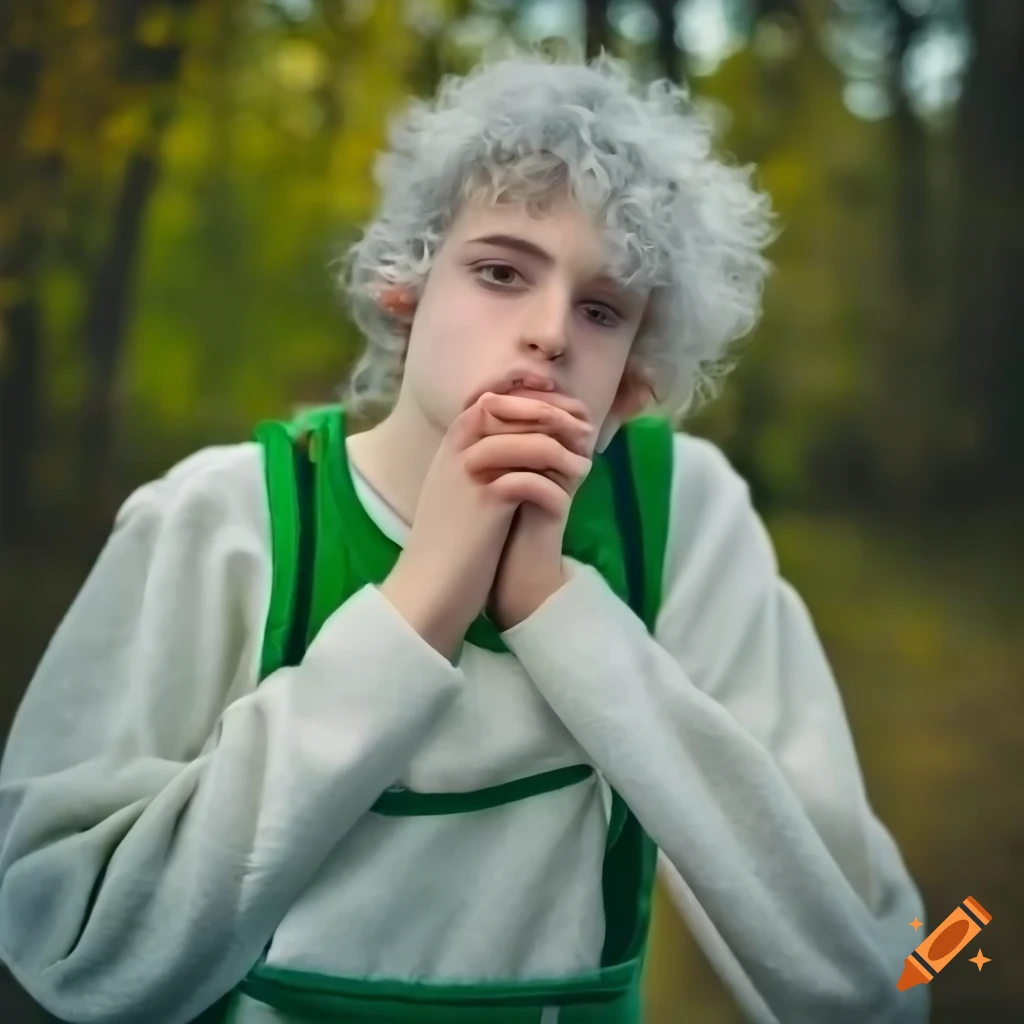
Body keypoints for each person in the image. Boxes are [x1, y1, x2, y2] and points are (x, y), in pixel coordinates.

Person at [0, 50, 929, 1024]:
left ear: (632, 372)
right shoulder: (223, 518)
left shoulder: (683, 513)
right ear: (405, 287)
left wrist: (554, 610)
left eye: (602, 308)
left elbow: (890, 981)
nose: (550, 332)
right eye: (499, 271)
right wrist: (421, 605)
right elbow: (65, 951)